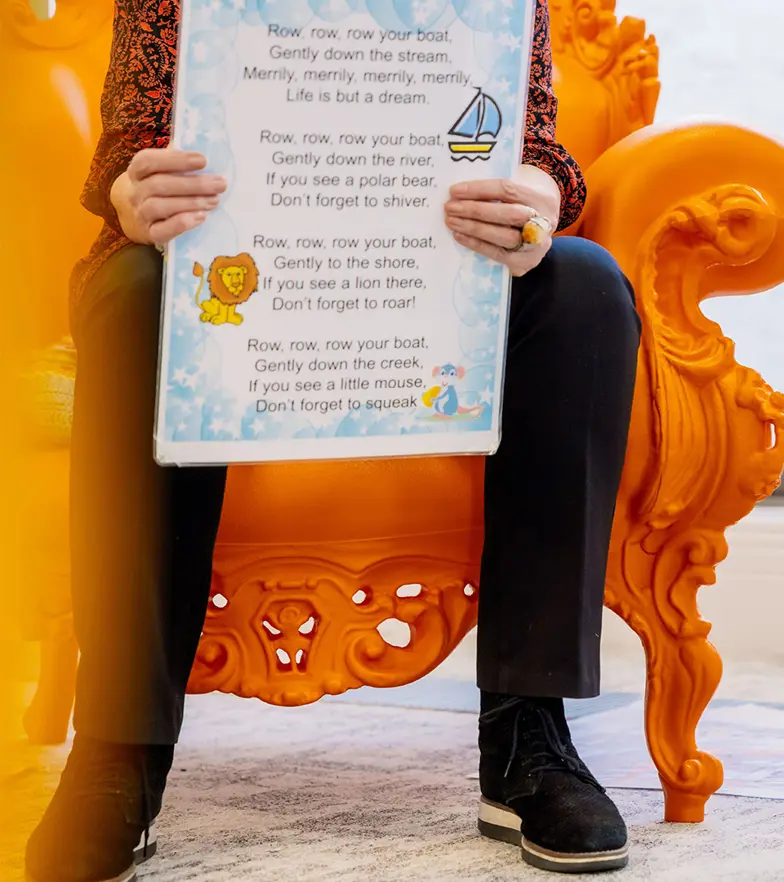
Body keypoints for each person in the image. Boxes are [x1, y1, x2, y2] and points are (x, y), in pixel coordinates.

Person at [25, 2, 640, 879]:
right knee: (131, 291)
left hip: (428, 285)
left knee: (584, 283)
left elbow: (530, 139)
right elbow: (129, 143)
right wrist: (133, 194)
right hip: (221, 280)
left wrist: (539, 194)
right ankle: (118, 753)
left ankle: (527, 738)